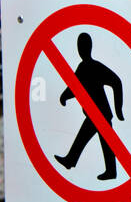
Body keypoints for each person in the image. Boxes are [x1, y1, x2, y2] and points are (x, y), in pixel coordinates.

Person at [54, 32, 125, 181]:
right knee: (99, 140)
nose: (81, 49)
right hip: (95, 113)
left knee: (102, 142)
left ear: (87, 48)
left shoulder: (91, 66)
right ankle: (71, 160)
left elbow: (116, 81)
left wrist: (119, 109)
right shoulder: (85, 67)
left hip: (100, 113)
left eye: (82, 46)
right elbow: (75, 86)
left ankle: (72, 161)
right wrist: (64, 96)